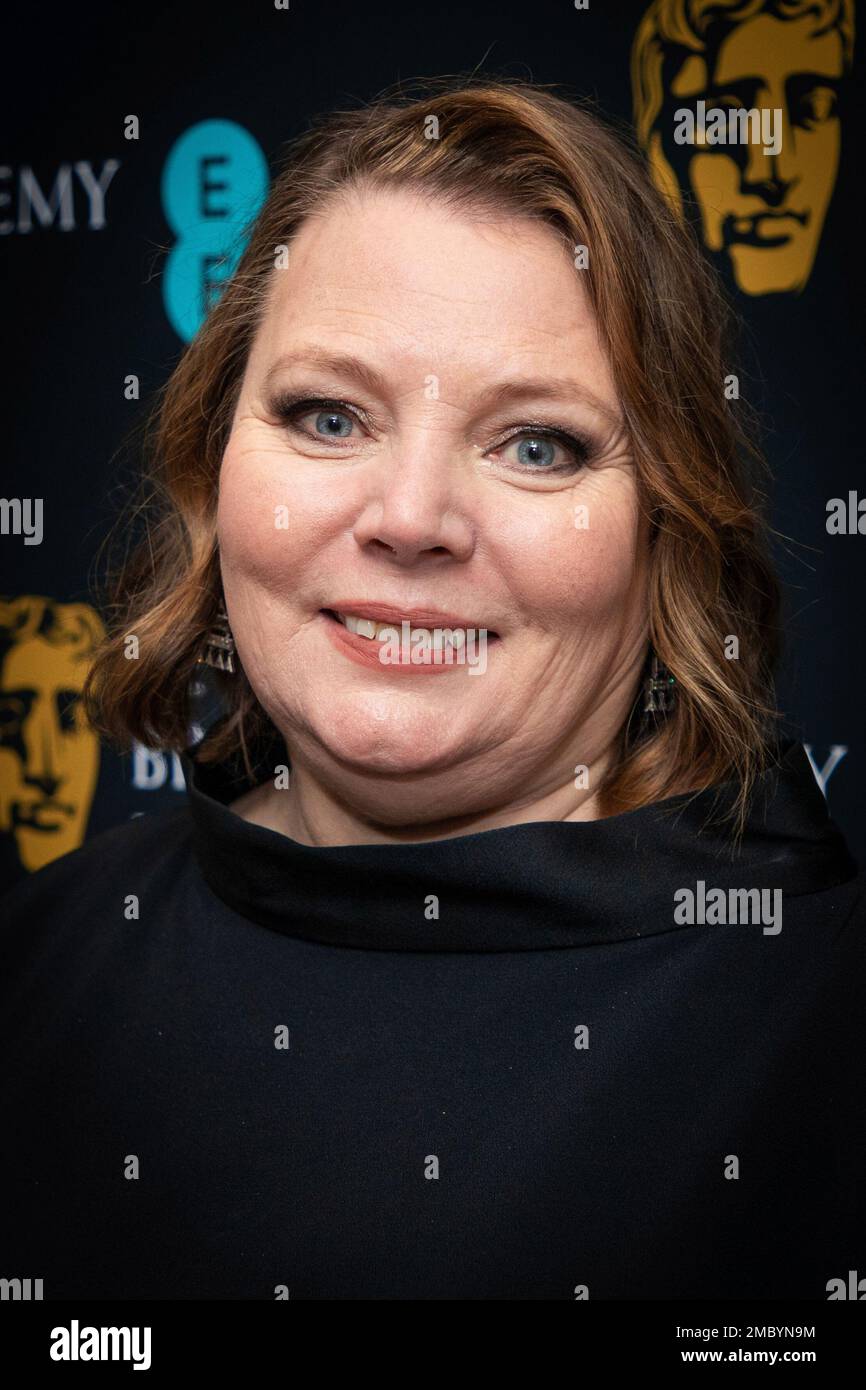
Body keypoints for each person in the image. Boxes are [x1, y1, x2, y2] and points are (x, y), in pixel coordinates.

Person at [1, 76, 862, 1301]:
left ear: (667, 526)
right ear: (211, 465)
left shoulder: (820, 1019)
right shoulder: (39, 956)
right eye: (328, 415)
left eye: (536, 445)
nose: (409, 519)